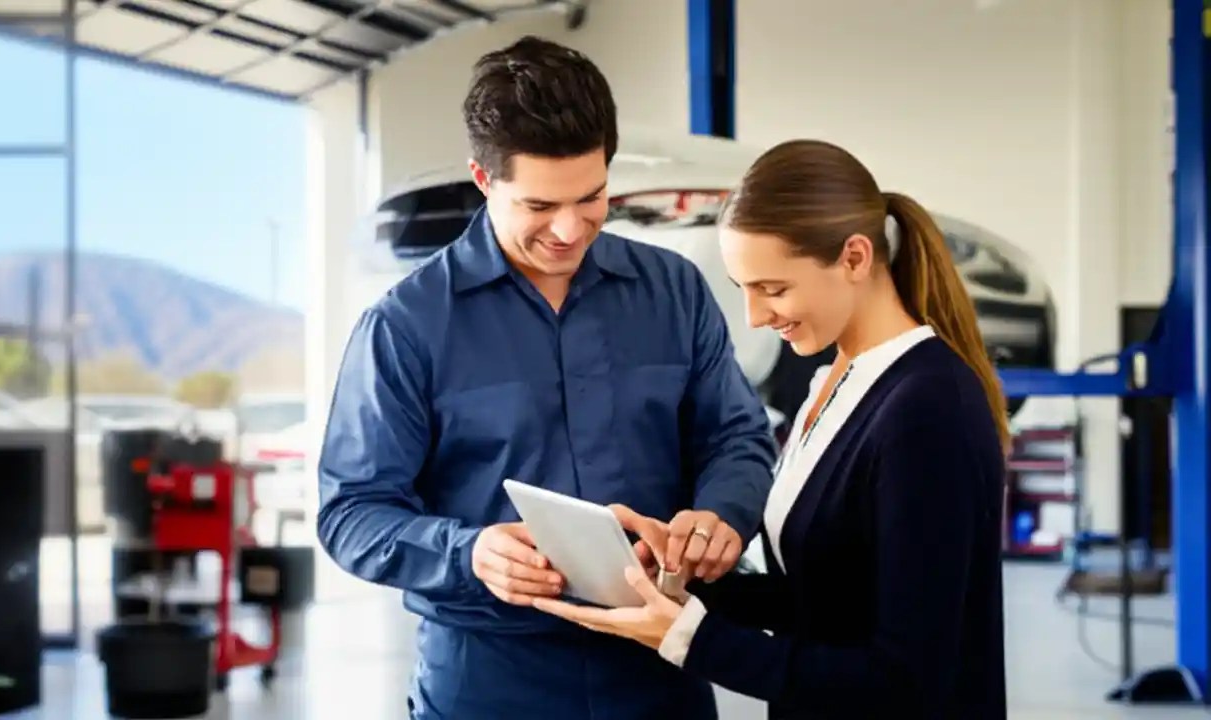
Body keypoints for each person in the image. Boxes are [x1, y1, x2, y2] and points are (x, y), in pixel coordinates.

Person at [315, 35, 776, 720]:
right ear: (483, 177)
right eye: (537, 206)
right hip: (488, 677)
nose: (568, 229)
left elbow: (736, 436)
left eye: (591, 198)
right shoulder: (406, 325)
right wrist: (469, 553)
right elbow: (351, 511)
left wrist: (721, 515)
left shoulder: (673, 292)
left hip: (659, 668)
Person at [534, 138, 1010, 719]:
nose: (756, 318)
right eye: (745, 292)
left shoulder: (928, 407)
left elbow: (905, 678)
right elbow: (820, 599)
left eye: (774, 289)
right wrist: (678, 584)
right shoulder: (831, 384)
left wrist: (688, 639)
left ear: (855, 258)